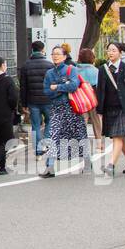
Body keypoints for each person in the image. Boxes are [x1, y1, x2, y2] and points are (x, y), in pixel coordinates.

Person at [40, 45, 91, 178]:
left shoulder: (71, 69)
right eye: (53, 54)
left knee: (80, 135)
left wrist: (56, 87)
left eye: (58, 54)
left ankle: (87, 163)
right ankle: (50, 167)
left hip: (72, 108)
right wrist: (64, 87)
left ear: (64, 56)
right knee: (53, 136)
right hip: (57, 108)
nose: (55, 56)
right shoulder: (49, 73)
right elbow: (46, 91)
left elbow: (74, 85)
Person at [98, 41, 125, 175]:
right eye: (109, 50)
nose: (111, 53)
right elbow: (100, 90)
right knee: (121, 137)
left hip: (123, 109)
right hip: (109, 108)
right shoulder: (103, 69)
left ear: (120, 53)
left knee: (118, 136)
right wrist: (99, 109)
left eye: (114, 50)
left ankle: (111, 165)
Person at [20, 41, 54, 155]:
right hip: (48, 100)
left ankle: (38, 149)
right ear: (43, 50)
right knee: (50, 121)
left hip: (33, 101)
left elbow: (23, 87)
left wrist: (23, 104)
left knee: (35, 125)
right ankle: (46, 142)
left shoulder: (25, 66)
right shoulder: (50, 65)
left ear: (32, 50)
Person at [75, 48, 104, 152]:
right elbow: (100, 87)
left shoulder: (75, 70)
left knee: (82, 121)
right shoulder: (97, 71)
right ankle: (99, 145)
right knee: (97, 121)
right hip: (93, 99)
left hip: (80, 100)